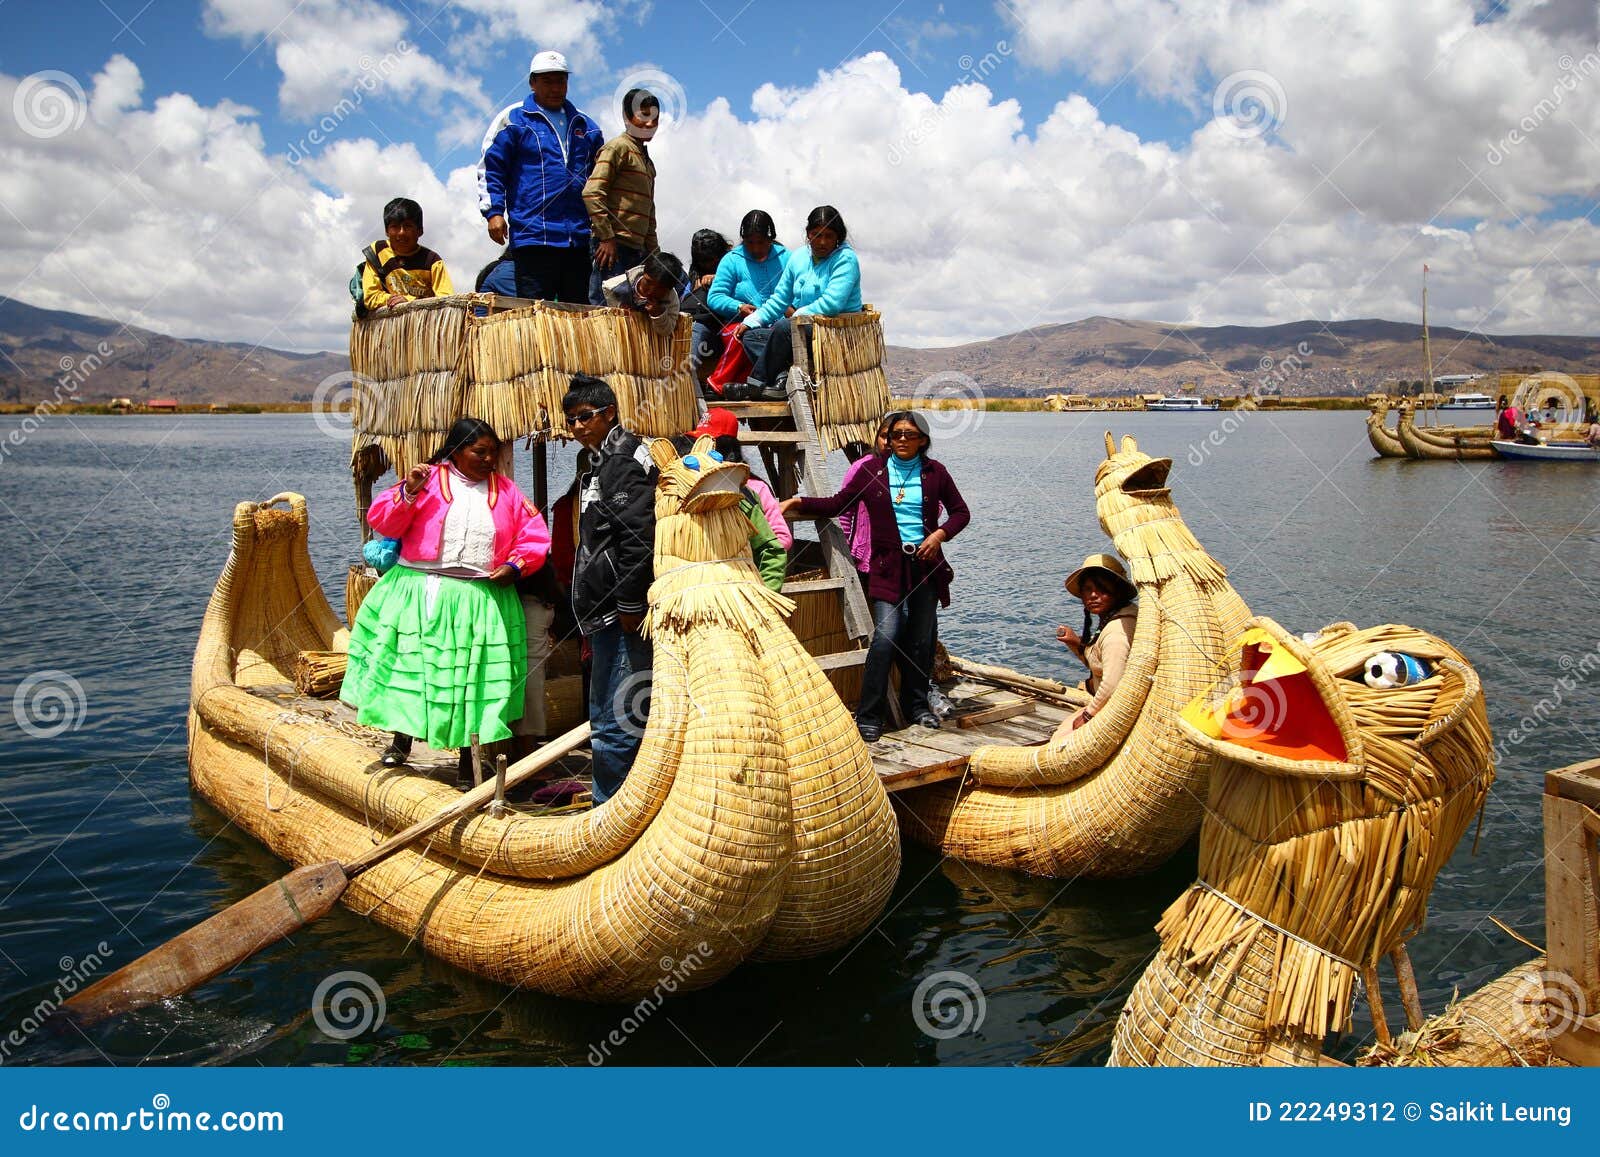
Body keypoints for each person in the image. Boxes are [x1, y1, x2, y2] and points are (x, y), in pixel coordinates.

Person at [342, 418, 550, 786]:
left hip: (477, 595)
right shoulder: (426, 482)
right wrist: (407, 492)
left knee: (472, 677)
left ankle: (468, 761)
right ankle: (400, 739)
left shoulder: (506, 492)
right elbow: (384, 522)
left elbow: (533, 537)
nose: (489, 460)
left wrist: (514, 566)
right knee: (413, 668)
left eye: (493, 453)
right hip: (419, 589)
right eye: (479, 452)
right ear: (456, 450)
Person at [782, 410, 968, 743]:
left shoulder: (935, 473)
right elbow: (839, 503)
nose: (901, 440)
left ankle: (917, 708)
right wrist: (797, 501)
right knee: (886, 637)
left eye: (909, 435)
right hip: (887, 568)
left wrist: (938, 536)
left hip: (925, 566)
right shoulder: (871, 471)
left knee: (921, 641)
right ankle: (871, 714)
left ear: (923, 440)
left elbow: (960, 512)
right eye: (896, 434)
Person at [565, 375, 657, 804]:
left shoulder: (620, 462)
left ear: (609, 413)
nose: (578, 427)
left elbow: (638, 536)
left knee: (614, 719)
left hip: (618, 612)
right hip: (607, 609)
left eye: (585, 417)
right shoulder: (605, 458)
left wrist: (628, 602)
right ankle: (622, 800)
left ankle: (611, 811)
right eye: (571, 421)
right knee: (615, 711)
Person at [478, 51, 603, 303]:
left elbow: (600, 178)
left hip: (576, 239)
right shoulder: (513, 120)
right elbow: (492, 167)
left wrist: (602, 228)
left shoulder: (586, 126)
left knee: (576, 314)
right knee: (536, 313)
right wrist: (493, 213)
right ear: (532, 82)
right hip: (533, 235)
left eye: (561, 81)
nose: (556, 88)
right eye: (548, 81)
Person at [735, 205, 860, 400]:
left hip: (833, 330)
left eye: (828, 235)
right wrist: (752, 320)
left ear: (839, 236)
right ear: (808, 235)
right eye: (816, 235)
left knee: (785, 327)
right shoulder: (799, 257)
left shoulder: (846, 259)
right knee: (752, 337)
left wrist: (796, 317)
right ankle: (781, 378)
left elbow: (831, 304)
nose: (822, 242)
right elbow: (780, 298)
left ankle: (755, 384)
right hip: (802, 328)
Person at [670, 433, 787, 592]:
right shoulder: (666, 505)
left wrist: (765, 597)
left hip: (738, 596)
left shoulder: (741, 498)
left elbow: (772, 550)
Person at [583, 88, 661, 305]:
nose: (649, 123)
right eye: (643, 115)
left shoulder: (646, 161)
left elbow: (649, 211)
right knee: (606, 308)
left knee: (629, 312)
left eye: (655, 118)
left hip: (637, 251)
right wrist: (606, 237)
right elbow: (592, 193)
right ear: (627, 117)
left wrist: (654, 253)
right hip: (612, 248)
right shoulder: (617, 148)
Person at [1054, 554, 1138, 736]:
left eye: (1102, 589)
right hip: (1112, 707)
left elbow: (1112, 684)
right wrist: (1075, 643)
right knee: (1060, 731)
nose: (1093, 595)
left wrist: (1088, 716)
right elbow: (1102, 664)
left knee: (1059, 740)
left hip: (1118, 713)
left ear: (1118, 590)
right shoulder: (1117, 617)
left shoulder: (1117, 631)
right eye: (1087, 590)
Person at [704, 211, 788, 389]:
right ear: (743, 239)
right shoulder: (732, 260)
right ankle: (718, 384)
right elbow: (715, 296)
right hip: (738, 322)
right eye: (750, 242)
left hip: (776, 325)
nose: (756, 248)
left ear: (771, 238)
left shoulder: (786, 258)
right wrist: (738, 307)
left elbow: (797, 291)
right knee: (740, 336)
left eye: (761, 242)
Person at [689, 407, 791, 550]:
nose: (699, 449)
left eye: (708, 444)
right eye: (697, 442)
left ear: (727, 449)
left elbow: (781, 538)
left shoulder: (754, 488)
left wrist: (744, 554)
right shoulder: (689, 484)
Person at [360, 197, 454, 313]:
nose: (401, 232)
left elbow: (446, 300)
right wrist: (392, 300)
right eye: (395, 226)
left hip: (422, 325)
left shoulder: (432, 261)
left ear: (420, 231)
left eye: (408, 226)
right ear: (386, 231)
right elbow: (370, 297)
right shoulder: (378, 252)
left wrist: (409, 301)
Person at [682, 229, 734, 380]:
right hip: (699, 327)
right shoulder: (694, 275)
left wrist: (720, 279)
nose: (708, 264)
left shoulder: (734, 263)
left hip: (726, 328)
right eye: (702, 261)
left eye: (712, 260)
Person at [602, 250, 685, 337]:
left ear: (669, 289)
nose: (650, 291)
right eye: (648, 282)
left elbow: (666, 331)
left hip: (651, 345)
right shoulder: (616, 286)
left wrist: (658, 314)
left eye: (659, 288)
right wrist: (619, 308)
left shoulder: (671, 300)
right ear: (644, 273)